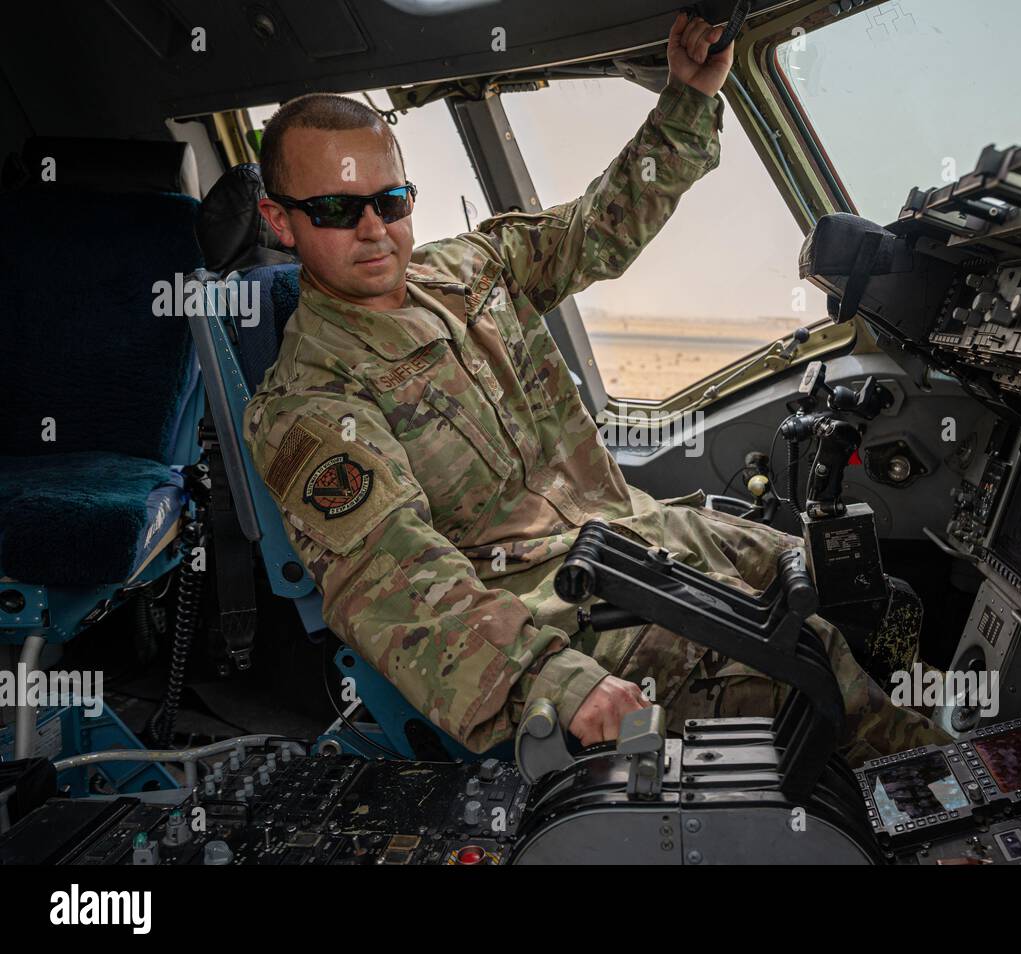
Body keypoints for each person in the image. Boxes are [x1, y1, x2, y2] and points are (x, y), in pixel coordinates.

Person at [244, 13, 949, 764]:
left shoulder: (468, 270)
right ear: (279, 221)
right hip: (539, 613)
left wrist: (687, 98)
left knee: (842, 590)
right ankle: (934, 806)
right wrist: (548, 677)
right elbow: (390, 578)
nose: (374, 230)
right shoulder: (309, 403)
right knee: (803, 681)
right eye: (334, 211)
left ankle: (945, 779)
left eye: (391, 202)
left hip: (626, 533)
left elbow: (597, 230)